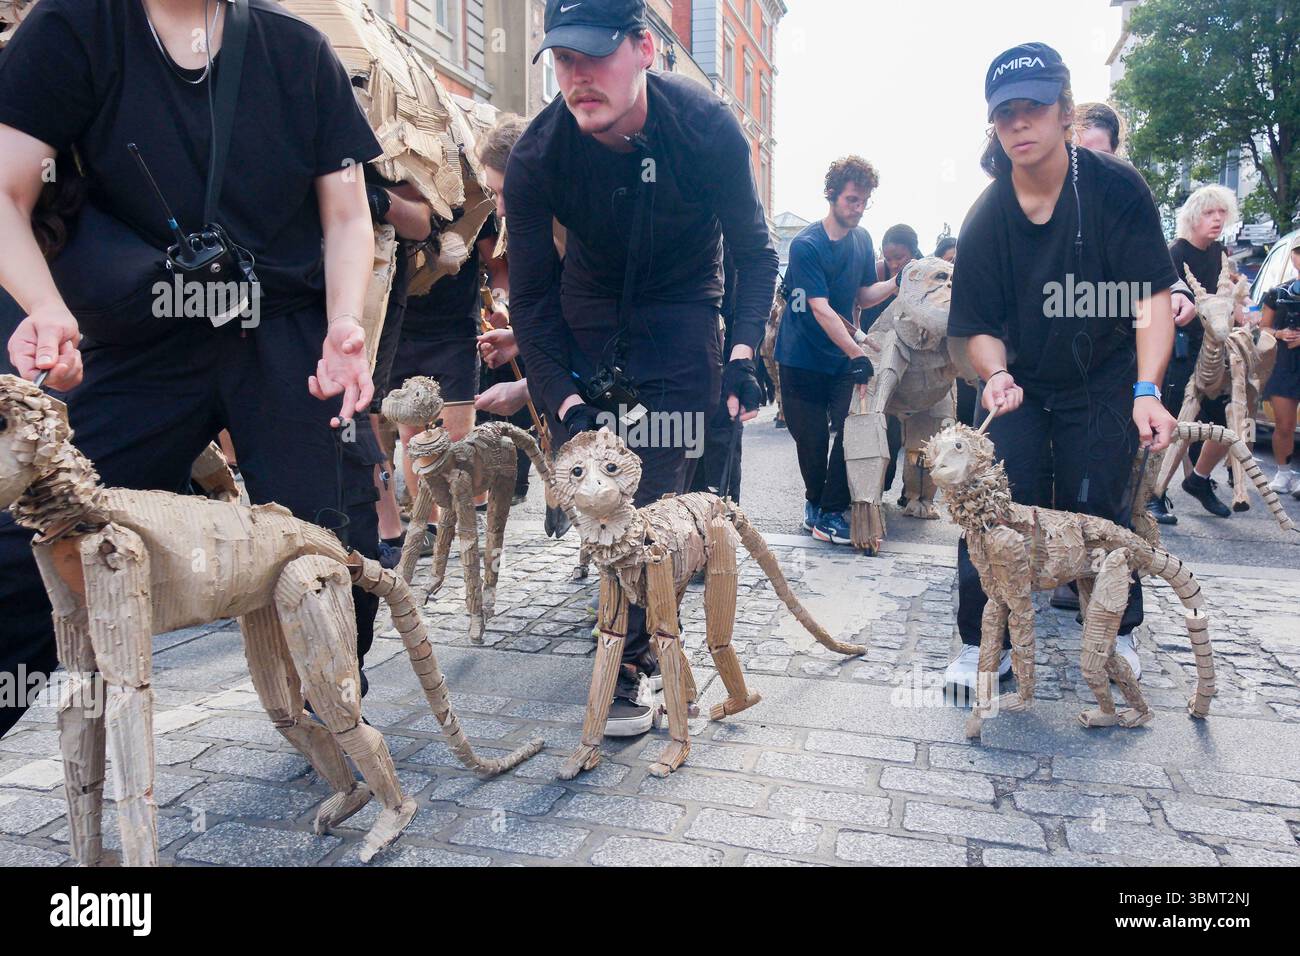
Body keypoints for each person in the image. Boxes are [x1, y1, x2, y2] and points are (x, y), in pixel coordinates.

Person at [0, 0, 381, 735]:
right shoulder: (73, 29)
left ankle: (332, 700)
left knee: (338, 537)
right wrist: (44, 307)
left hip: (284, 325)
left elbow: (345, 212)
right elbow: (8, 190)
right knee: (30, 532)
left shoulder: (298, 49)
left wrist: (342, 322)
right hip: (138, 330)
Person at [505, 0, 779, 737]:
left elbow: (756, 253)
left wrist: (745, 350)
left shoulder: (707, 128)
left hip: (684, 304)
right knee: (596, 482)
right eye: (562, 60)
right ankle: (634, 622)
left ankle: (635, 659)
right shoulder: (537, 155)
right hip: (589, 305)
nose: (576, 76)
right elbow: (528, 298)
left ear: (645, 51)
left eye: (594, 56)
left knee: (653, 490)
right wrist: (563, 402)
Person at [943, 42, 1179, 694]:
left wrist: (1147, 389)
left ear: (1065, 113)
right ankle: (979, 644)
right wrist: (994, 374)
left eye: (1034, 108)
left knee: (1100, 505)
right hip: (1020, 381)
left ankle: (1119, 634)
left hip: (1104, 375)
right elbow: (977, 328)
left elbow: (1151, 299)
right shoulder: (988, 216)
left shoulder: (1117, 189)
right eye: (1005, 113)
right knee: (991, 510)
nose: (1019, 123)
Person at [776, 156, 898, 546]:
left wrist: (899, 282)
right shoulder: (806, 245)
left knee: (853, 429)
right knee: (810, 442)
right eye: (851, 200)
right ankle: (815, 501)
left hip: (840, 358)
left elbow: (863, 294)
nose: (858, 208)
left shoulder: (862, 239)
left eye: (863, 201)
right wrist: (857, 352)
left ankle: (829, 512)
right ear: (832, 196)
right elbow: (821, 308)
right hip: (800, 358)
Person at [1165, 185, 1243, 519]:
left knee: (1227, 421)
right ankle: (1154, 493)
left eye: (1221, 213)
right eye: (1209, 213)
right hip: (1180, 346)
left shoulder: (1221, 254)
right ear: (1194, 216)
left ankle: (1199, 479)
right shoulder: (1176, 252)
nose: (1216, 219)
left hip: (1215, 348)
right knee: (1172, 422)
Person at [1260, 236, 1300, 496]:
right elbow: (1263, 326)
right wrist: (1280, 334)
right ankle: (1283, 472)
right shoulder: (1278, 293)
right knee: (1284, 424)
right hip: (1284, 364)